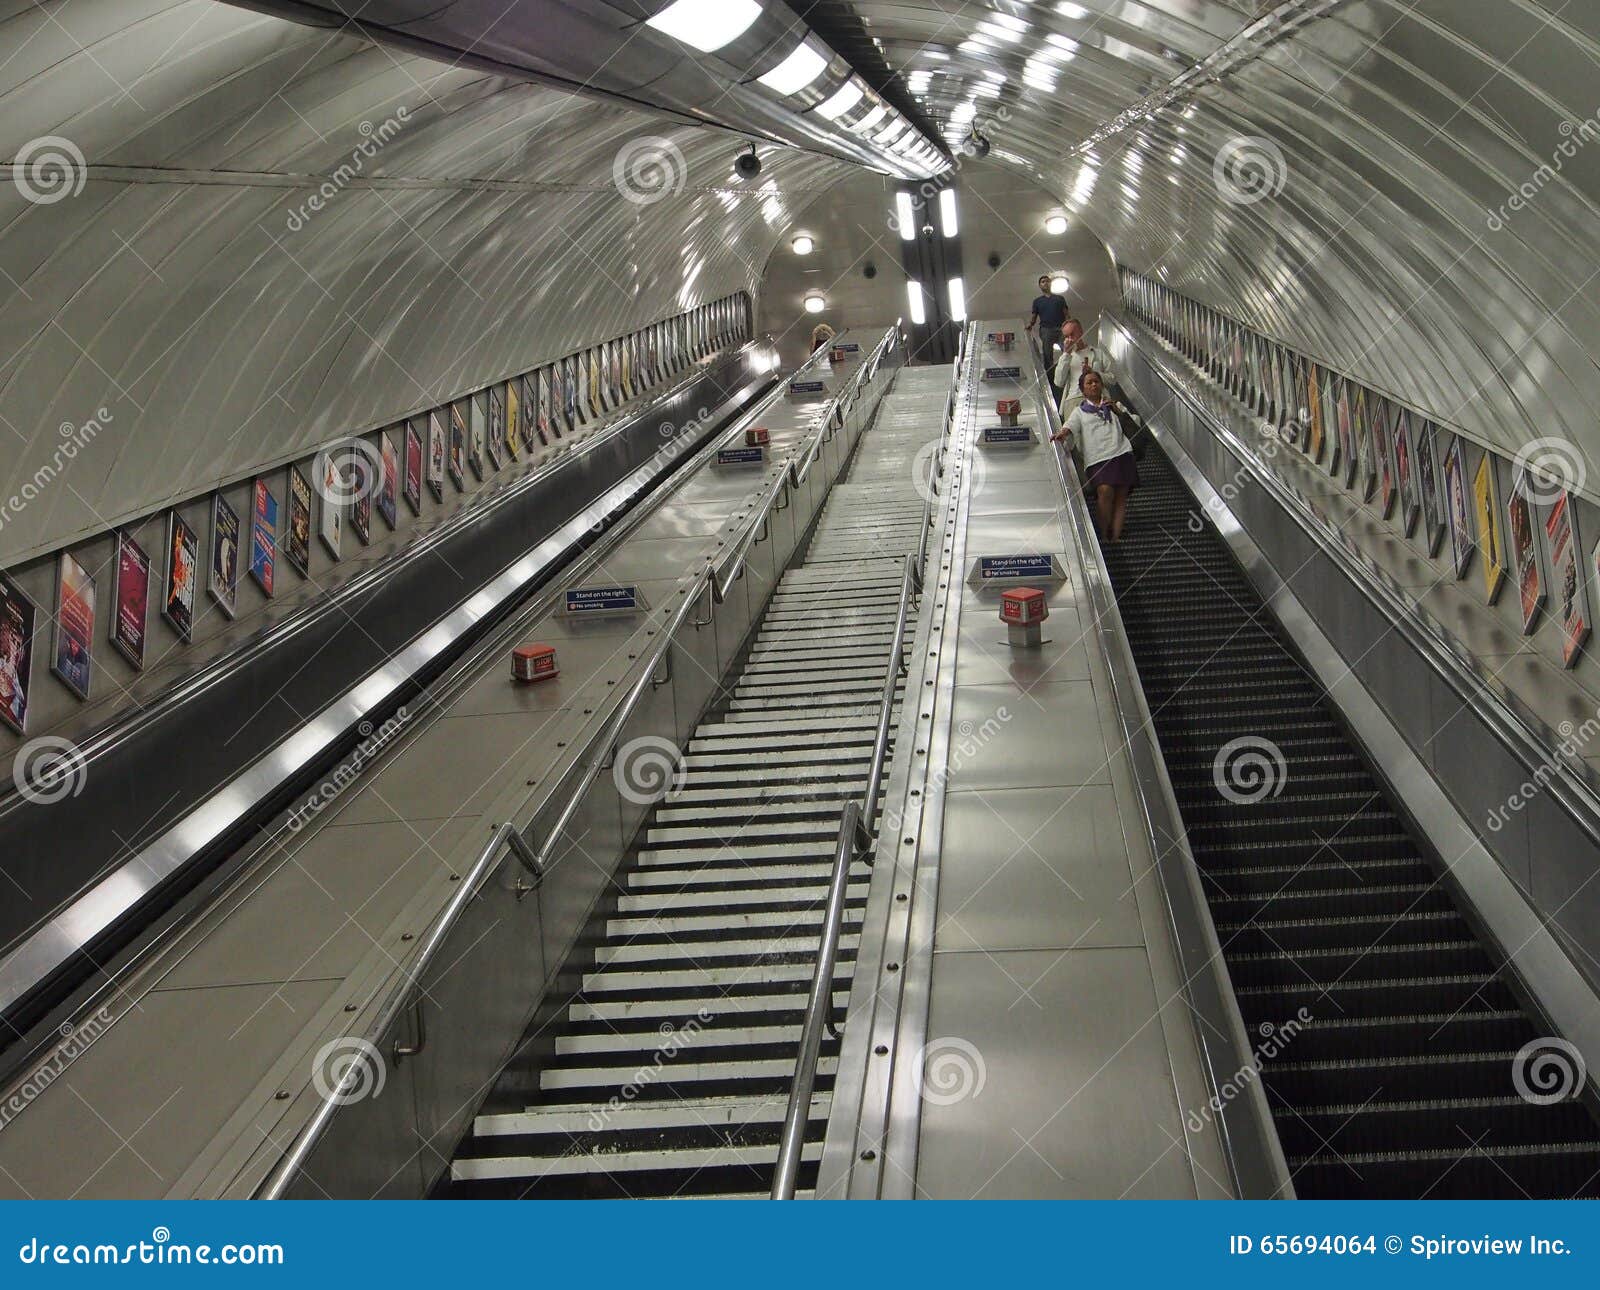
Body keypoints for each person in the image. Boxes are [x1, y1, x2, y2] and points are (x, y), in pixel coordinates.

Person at [1053, 370, 1140, 543]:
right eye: (1089, 383)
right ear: (1083, 390)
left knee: (1121, 495)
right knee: (1105, 491)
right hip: (1097, 458)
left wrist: (1117, 410)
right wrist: (1063, 432)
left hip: (1121, 452)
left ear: (1101, 385)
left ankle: (1115, 537)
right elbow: (1071, 425)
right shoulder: (1080, 411)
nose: (1094, 385)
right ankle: (1103, 533)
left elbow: (1134, 422)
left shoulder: (1114, 405)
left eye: (1096, 382)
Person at [1053, 336, 1117, 419]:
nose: (1070, 340)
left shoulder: (1098, 353)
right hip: (1073, 400)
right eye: (1066, 337)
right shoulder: (1066, 357)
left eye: (1072, 334)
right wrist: (1066, 354)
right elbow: (1058, 382)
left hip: (1098, 398)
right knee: (1074, 430)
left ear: (1080, 333)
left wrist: (1093, 372)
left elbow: (1112, 379)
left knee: (1102, 429)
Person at [1025, 276, 1068, 368]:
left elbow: (1066, 314)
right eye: (1043, 282)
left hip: (1061, 328)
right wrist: (1030, 325)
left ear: (1050, 283)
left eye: (1047, 281)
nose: (1045, 283)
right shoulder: (1037, 301)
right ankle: (1050, 379)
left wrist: (1070, 326)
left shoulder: (1060, 299)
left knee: (1067, 351)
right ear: (1040, 286)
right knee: (1047, 355)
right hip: (1046, 329)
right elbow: (1034, 316)